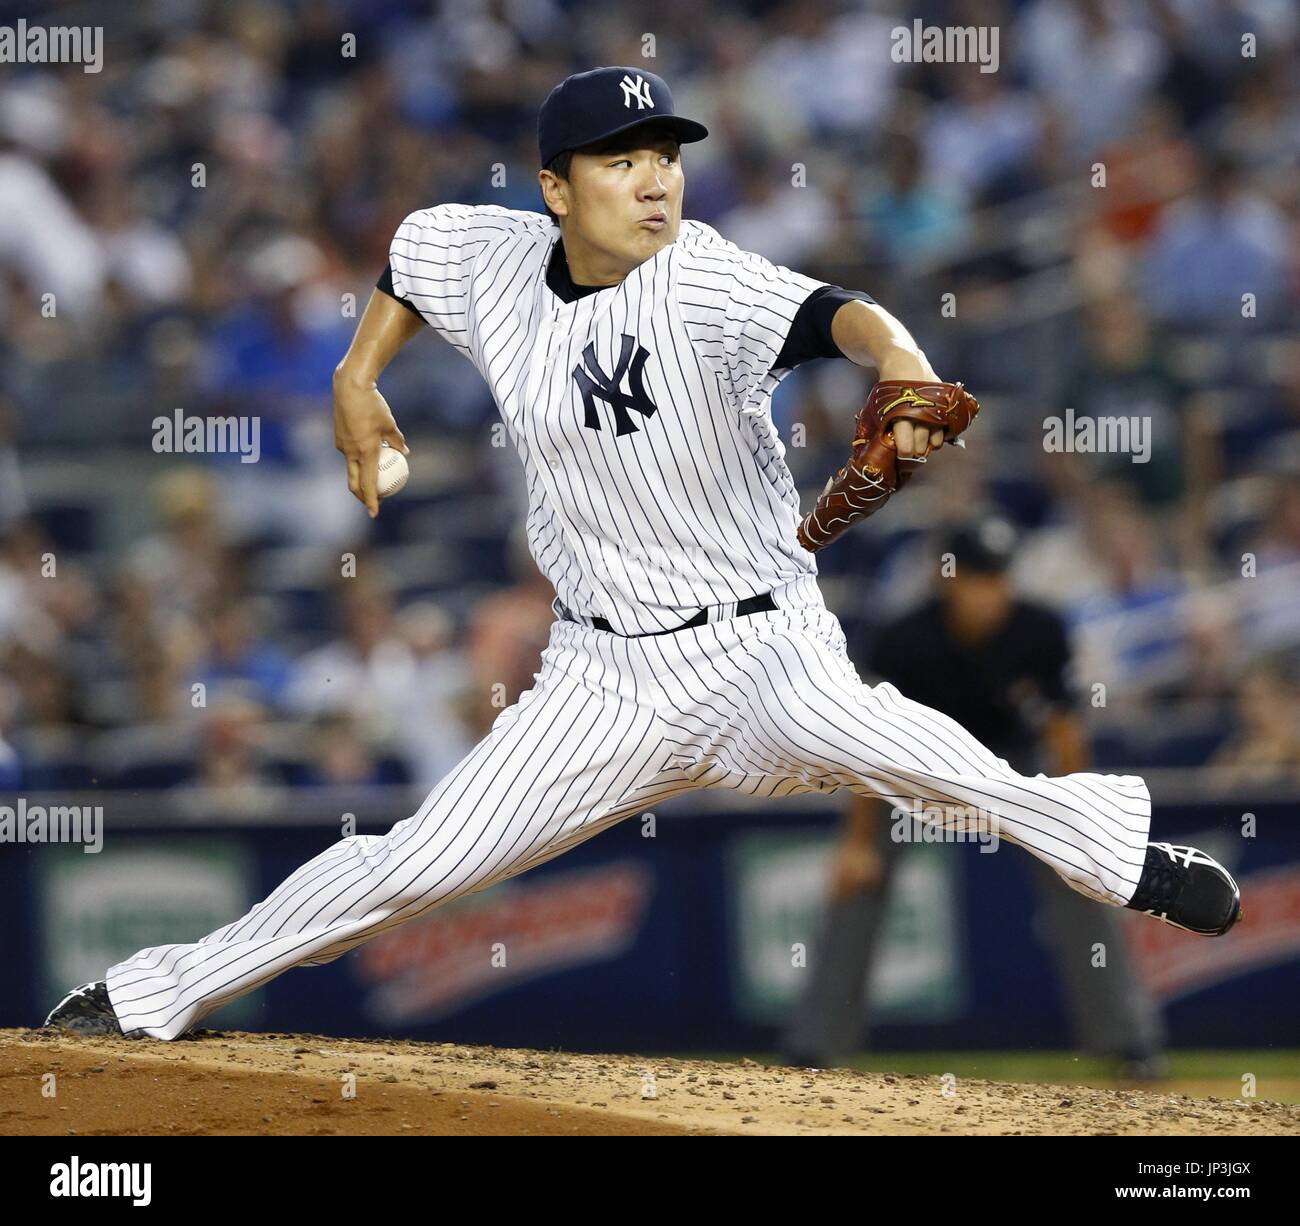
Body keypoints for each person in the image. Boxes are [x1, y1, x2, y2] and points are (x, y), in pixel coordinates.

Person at [45, 67, 1240, 1041]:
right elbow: (407, 255)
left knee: (916, 749)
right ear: (556, 190)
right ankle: (152, 993)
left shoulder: (700, 276)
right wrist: (357, 377)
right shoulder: (489, 253)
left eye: (664, 153)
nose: (656, 178)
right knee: (413, 863)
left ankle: (1117, 849)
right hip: (599, 681)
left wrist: (903, 365)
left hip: (761, 649)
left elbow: (842, 314)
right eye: (622, 158)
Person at [784, 521, 1167, 1077]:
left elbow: (1063, 733)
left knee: (1089, 879)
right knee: (856, 881)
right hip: (917, 766)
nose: (993, 589)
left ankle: (1131, 1042)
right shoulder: (907, 639)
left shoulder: (1037, 629)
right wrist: (857, 843)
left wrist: (1081, 830)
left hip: (1012, 765)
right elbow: (867, 749)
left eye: (999, 576)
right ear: (949, 579)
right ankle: (815, 1046)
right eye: (979, 577)